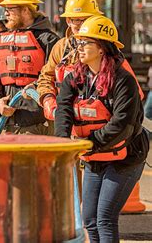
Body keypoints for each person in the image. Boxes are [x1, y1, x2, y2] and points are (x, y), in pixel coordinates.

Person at [54, 15, 149, 242]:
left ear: (102, 48)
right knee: (89, 219)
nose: (80, 47)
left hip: (126, 157)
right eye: (79, 42)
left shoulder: (123, 81)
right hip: (95, 157)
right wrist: (63, 142)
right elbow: (63, 109)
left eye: (86, 42)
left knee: (104, 218)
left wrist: (88, 143)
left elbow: (122, 124)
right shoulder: (76, 78)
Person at [36, 0, 144, 120]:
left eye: (87, 19)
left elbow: (133, 94)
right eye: (77, 20)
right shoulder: (61, 48)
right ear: (68, 21)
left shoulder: (107, 49)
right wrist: (48, 99)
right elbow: (46, 77)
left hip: (100, 128)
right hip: (67, 124)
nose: (83, 24)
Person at [0, 0, 59, 134]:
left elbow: (55, 77)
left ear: (25, 10)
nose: (6, 13)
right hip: (5, 126)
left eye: (10, 9)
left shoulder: (48, 40)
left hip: (37, 126)